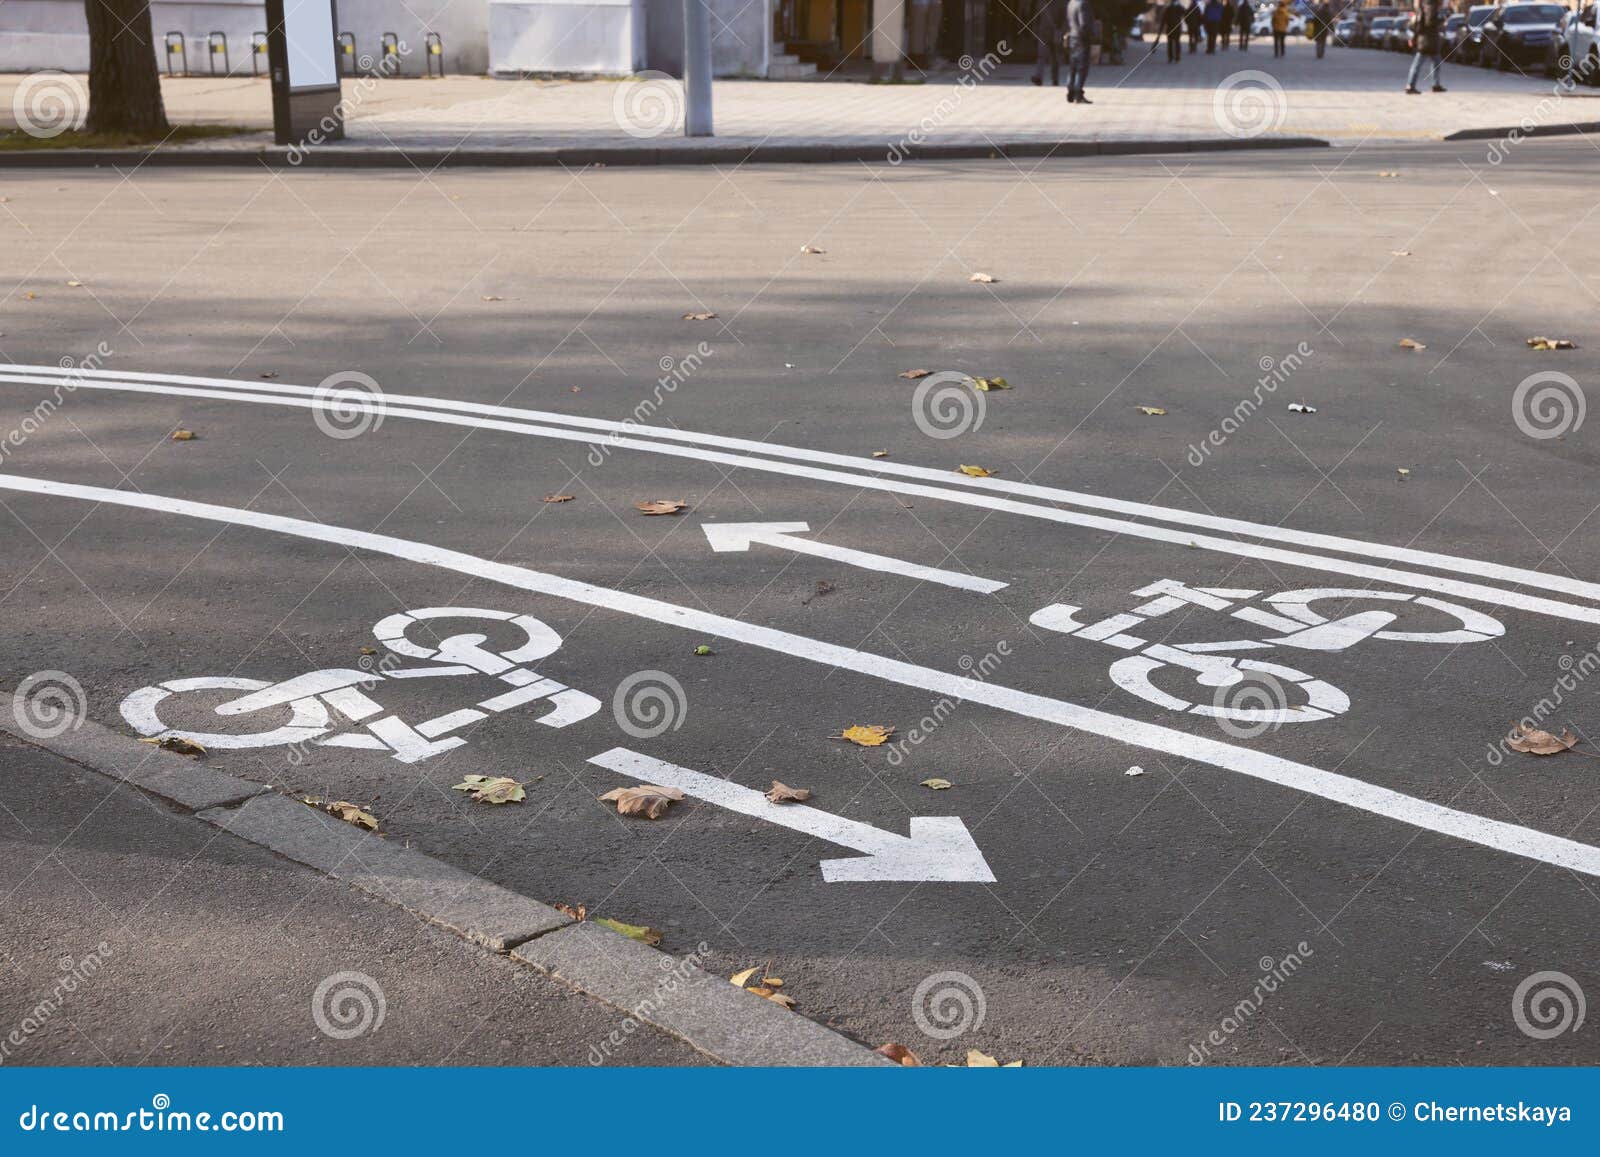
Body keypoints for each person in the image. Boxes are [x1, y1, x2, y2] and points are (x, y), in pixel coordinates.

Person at [1405, 0, 1446, 92]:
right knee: (1420, 63)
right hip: (1428, 39)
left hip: (1425, 39)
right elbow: (1429, 22)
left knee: (1435, 62)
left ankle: (1435, 84)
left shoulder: (1425, 5)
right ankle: (1411, 85)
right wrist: (1441, 20)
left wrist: (1414, 38)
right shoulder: (1431, 6)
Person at [1031, 0, 1068, 86]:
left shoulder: (1060, 3)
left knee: (1054, 57)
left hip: (1054, 33)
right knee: (1042, 55)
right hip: (1044, 33)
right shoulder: (1041, 2)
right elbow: (1036, 18)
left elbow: (1065, 19)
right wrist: (1034, 32)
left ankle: (1054, 79)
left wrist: (1061, 32)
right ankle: (1039, 77)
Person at [1066, 0, 1093, 102]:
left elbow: (1069, 20)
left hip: (1072, 37)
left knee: (1073, 66)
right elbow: (1084, 24)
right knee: (1082, 68)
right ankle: (1078, 94)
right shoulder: (1083, 4)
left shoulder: (1071, 2)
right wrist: (1089, 35)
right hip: (1081, 39)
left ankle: (1070, 90)